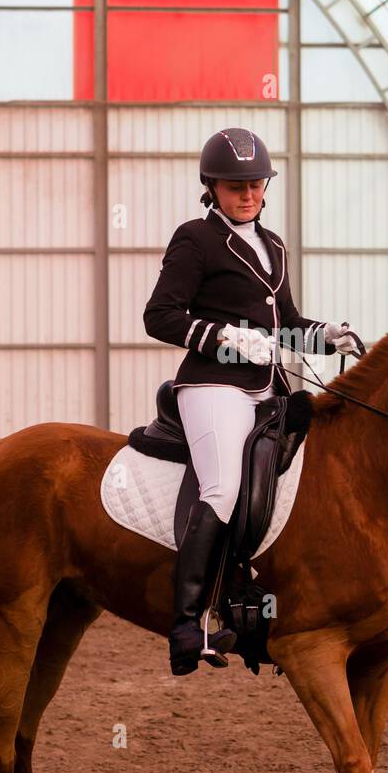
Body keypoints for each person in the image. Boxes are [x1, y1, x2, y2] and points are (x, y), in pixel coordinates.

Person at [143, 126, 366, 677]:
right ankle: (188, 625)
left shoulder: (275, 246)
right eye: (234, 186)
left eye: (255, 184)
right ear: (212, 188)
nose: (247, 194)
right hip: (213, 386)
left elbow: (285, 324)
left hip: (270, 389)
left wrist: (325, 336)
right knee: (222, 486)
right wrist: (223, 336)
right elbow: (159, 316)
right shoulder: (195, 239)